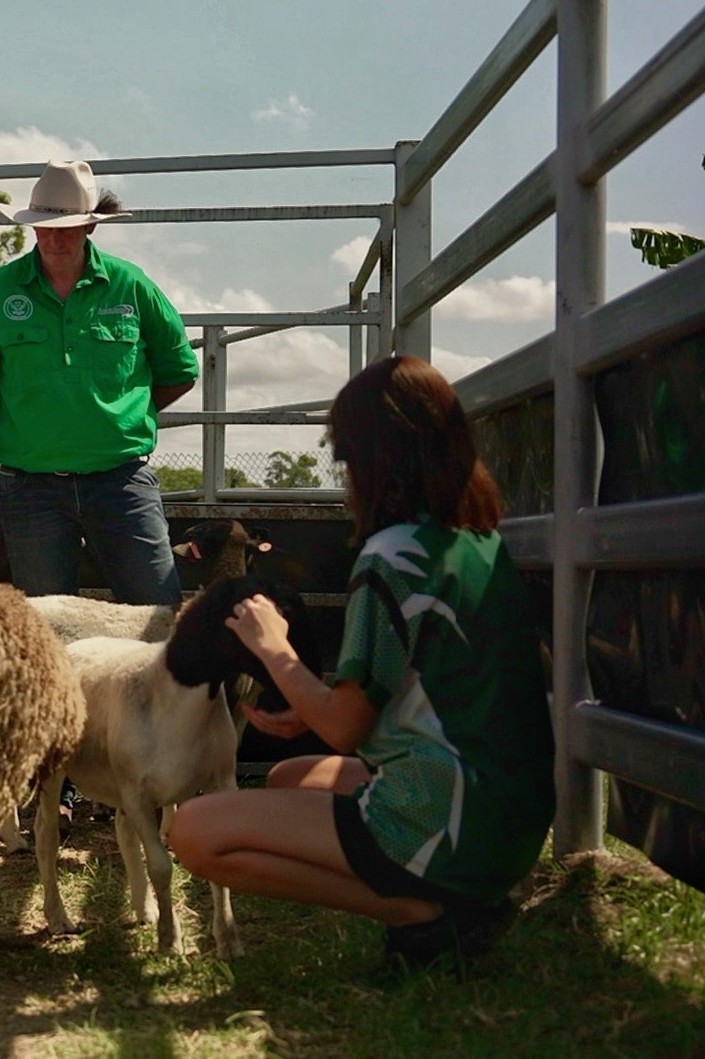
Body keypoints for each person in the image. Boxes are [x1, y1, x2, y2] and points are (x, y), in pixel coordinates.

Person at [167, 355, 556, 968]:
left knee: (192, 830)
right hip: (514, 819)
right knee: (287, 779)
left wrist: (274, 648)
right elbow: (418, 687)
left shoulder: (390, 559)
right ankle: (452, 891)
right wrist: (306, 707)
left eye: (345, 459)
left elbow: (346, 728)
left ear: (374, 462)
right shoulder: (476, 541)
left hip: (449, 822)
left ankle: (426, 916)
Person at [0, 158, 200, 830]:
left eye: (67, 227)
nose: (55, 238)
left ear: (92, 224)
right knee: (44, 636)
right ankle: (53, 789)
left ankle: (168, 776)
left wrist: (125, 414)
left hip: (122, 479)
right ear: (32, 227)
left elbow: (179, 367)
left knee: (159, 621)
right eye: (45, 227)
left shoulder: (131, 286)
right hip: (30, 489)